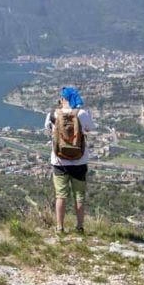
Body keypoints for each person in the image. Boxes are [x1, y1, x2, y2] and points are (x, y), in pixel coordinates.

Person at [44, 86, 95, 234]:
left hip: (59, 162)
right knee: (79, 196)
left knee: (61, 195)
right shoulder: (82, 113)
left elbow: (47, 130)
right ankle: (79, 227)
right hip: (79, 161)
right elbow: (90, 128)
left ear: (62, 98)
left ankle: (60, 228)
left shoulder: (53, 114)